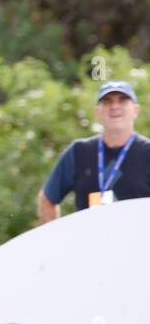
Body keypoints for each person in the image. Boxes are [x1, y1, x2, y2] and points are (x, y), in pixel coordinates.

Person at [38, 80, 149, 222]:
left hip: (137, 242)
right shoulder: (79, 152)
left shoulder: (147, 152)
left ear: (135, 110)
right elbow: (47, 199)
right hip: (89, 242)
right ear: (97, 112)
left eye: (122, 100)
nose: (115, 106)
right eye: (107, 101)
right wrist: (55, 240)